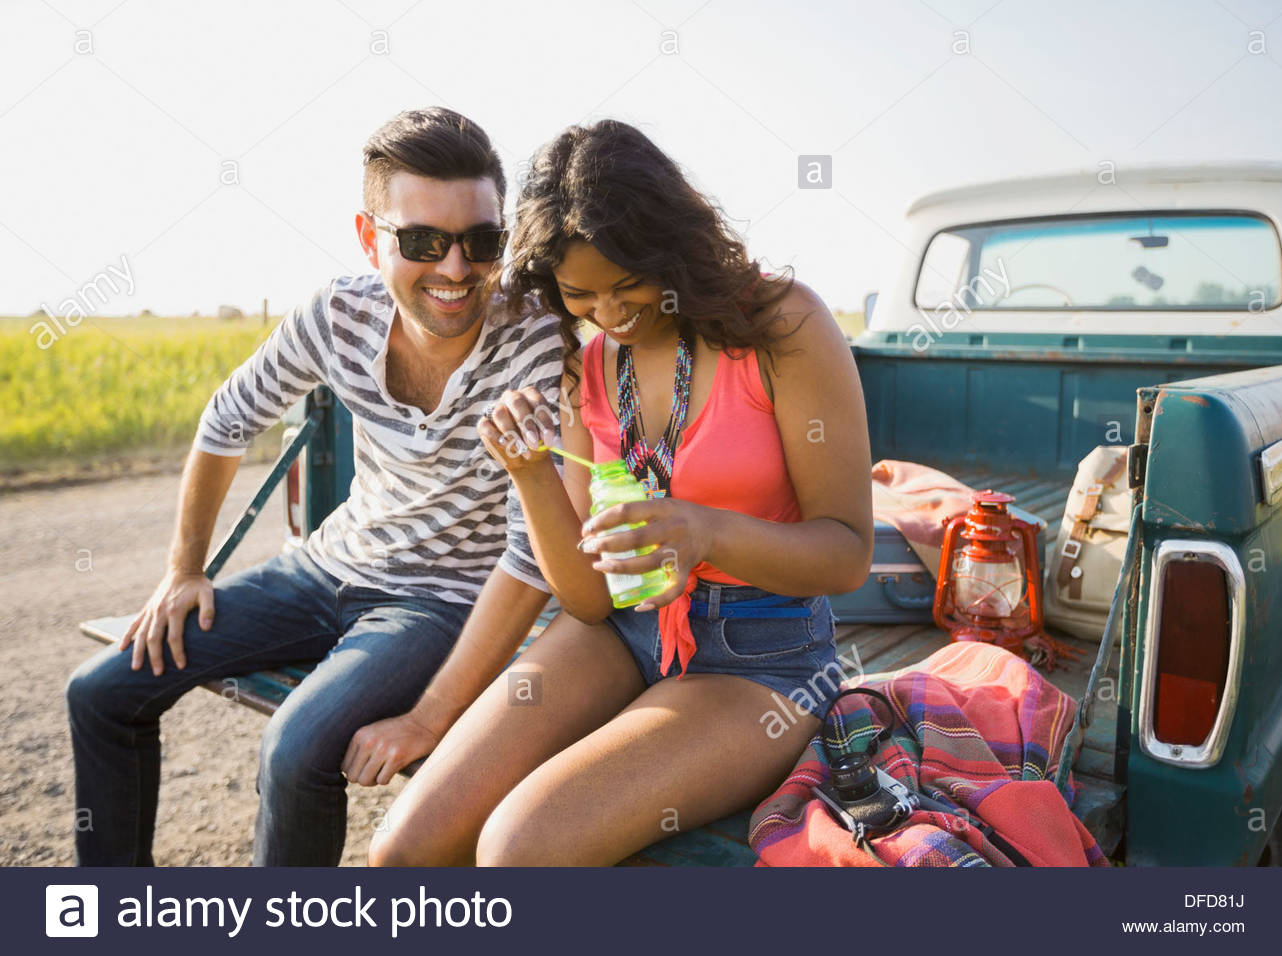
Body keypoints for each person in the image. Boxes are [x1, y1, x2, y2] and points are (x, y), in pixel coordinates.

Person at [64, 107, 563, 866]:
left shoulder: (536, 340)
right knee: (100, 691)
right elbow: (228, 419)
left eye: (483, 241)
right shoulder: (337, 314)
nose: (456, 269)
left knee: (294, 750)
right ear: (370, 239)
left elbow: (531, 560)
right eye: (422, 241)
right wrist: (184, 570)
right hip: (324, 567)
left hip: (441, 603)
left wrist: (430, 717)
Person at [369, 120, 874, 867]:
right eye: (580, 296)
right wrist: (531, 473)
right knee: (404, 850)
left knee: (517, 851)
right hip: (621, 632)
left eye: (626, 285)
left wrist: (706, 533)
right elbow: (589, 600)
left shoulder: (784, 325)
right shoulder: (595, 363)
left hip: (760, 657)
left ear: (669, 246)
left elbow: (847, 555)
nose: (608, 314)